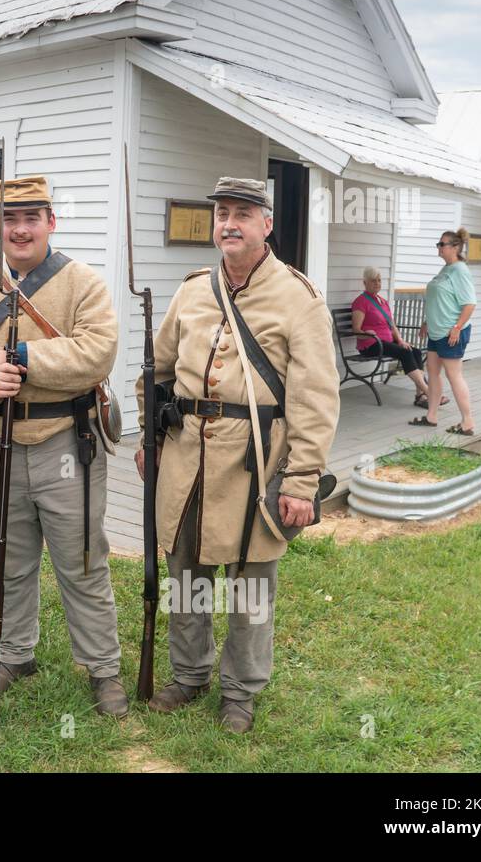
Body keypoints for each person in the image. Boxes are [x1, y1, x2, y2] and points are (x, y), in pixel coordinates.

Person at [136, 177, 339, 733]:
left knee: (250, 583)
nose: (229, 223)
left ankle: (241, 691)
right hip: (184, 454)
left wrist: (301, 480)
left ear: (266, 225)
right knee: (186, 572)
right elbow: (155, 371)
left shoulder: (299, 297)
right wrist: (147, 438)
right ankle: (189, 673)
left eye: (243, 214)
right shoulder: (192, 289)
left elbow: (316, 397)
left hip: (256, 460)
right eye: (222, 212)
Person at [0, 175, 127, 717]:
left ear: (51, 222)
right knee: (9, 560)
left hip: (66, 442)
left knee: (83, 562)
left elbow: (96, 353)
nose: (20, 230)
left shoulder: (81, 282)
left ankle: (102, 668)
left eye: (31, 219)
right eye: (9, 220)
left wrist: (16, 357)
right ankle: (15, 654)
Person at [409, 228, 477, 435]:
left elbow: (469, 304)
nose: (438, 247)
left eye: (442, 244)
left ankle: (467, 422)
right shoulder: (446, 270)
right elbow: (441, 300)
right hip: (436, 331)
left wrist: (456, 328)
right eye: (438, 244)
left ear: (455, 247)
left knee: (454, 375)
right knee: (433, 373)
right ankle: (432, 416)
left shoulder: (460, 270)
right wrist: (426, 321)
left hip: (451, 333)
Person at [351, 266, 444, 409]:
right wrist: (366, 332)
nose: (377, 283)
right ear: (365, 283)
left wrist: (400, 340)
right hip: (371, 344)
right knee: (404, 352)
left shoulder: (383, 302)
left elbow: (392, 326)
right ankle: (429, 392)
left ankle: (420, 396)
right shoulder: (361, 302)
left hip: (387, 342)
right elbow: (356, 329)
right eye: (373, 281)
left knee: (415, 351)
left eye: (379, 280)